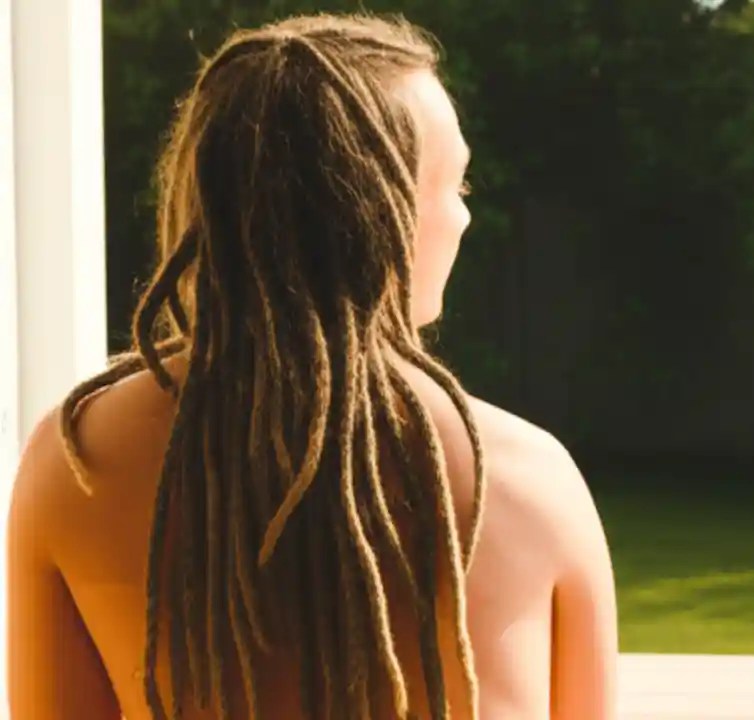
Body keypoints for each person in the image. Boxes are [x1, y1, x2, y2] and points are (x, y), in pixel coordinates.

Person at [7, 13, 617, 720]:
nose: (465, 217)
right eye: (457, 186)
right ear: (377, 215)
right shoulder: (528, 482)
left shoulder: (78, 462)